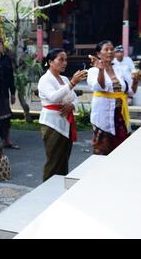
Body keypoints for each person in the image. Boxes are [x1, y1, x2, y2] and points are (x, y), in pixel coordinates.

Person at [38, 49, 87, 181]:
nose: (64, 63)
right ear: (50, 62)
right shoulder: (45, 79)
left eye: (66, 60)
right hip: (52, 123)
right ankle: (47, 190)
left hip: (66, 123)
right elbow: (53, 97)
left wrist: (72, 105)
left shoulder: (64, 79)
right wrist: (72, 83)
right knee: (53, 160)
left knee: (63, 160)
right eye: (61, 59)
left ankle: (59, 189)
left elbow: (74, 98)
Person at [88, 40, 139, 155]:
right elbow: (99, 86)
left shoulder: (120, 70)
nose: (110, 52)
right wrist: (101, 70)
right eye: (106, 49)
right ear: (98, 54)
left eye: (112, 49)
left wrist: (135, 82)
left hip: (119, 115)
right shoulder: (93, 71)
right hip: (103, 115)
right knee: (103, 150)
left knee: (120, 151)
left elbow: (130, 92)